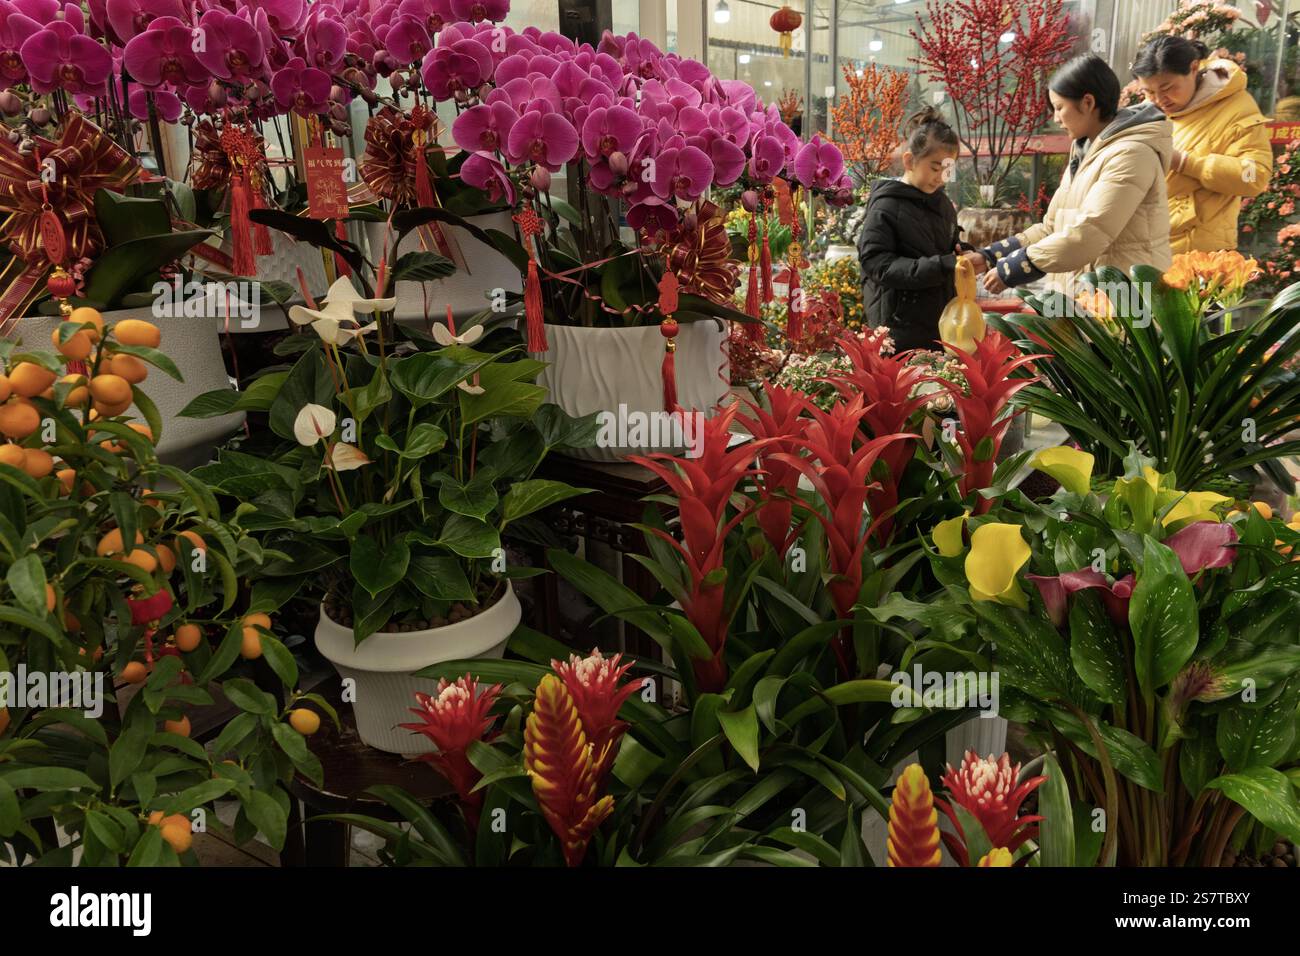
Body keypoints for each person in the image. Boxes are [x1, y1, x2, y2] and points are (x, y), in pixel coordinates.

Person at [979, 54, 1172, 297]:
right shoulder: (1085, 152)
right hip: (1086, 296)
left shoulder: (1131, 154)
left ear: (1088, 103)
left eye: (1059, 107)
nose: (1055, 118)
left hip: (1127, 302)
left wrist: (1015, 268)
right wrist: (990, 256)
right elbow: (1052, 228)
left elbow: (1088, 233)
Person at [1132, 36, 1272, 254]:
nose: (1160, 99)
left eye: (1168, 88)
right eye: (1149, 92)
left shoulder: (1236, 108)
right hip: (1144, 244)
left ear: (1194, 67)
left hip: (1199, 254)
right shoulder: (1150, 110)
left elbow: (1255, 176)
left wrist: (1187, 163)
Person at [857, 107, 971, 351]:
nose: (940, 177)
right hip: (896, 329)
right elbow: (877, 263)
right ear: (909, 161)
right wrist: (942, 265)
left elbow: (944, 248)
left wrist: (961, 253)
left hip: (939, 323)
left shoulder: (942, 204)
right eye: (935, 167)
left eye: (947, 169)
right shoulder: (886, 206)